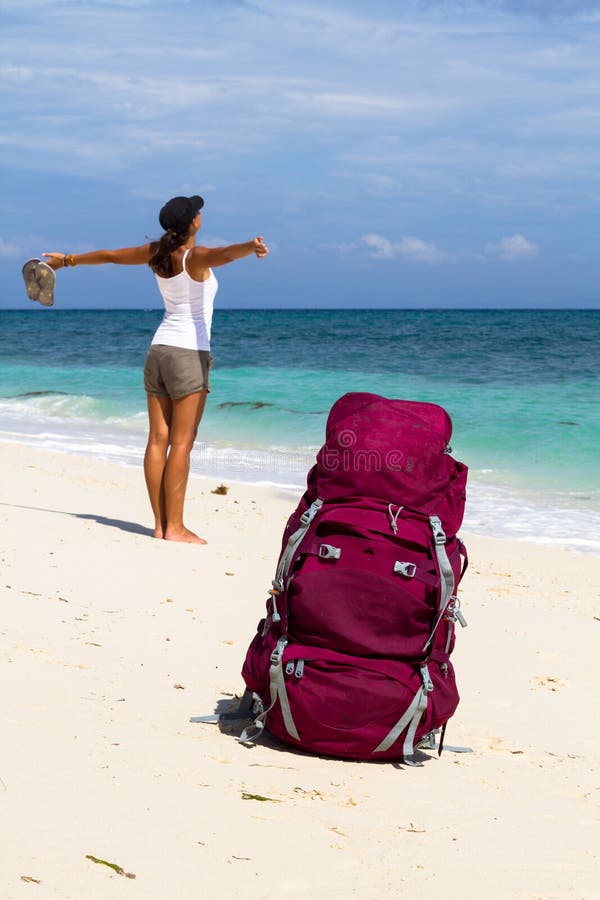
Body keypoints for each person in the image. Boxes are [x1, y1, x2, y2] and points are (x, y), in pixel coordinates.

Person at [43, 195, 268, 544]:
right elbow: (224, 254)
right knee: (181, 443)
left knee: (157, 440)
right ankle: (175, 528)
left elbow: (111, 256)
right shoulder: (194, 256)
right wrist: (250, 247)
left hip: (158, 350)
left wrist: (67, 261)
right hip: (188, 355)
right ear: (193, 222)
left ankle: (161, 524)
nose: (200, 215)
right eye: (197, 212)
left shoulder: (156, 252)